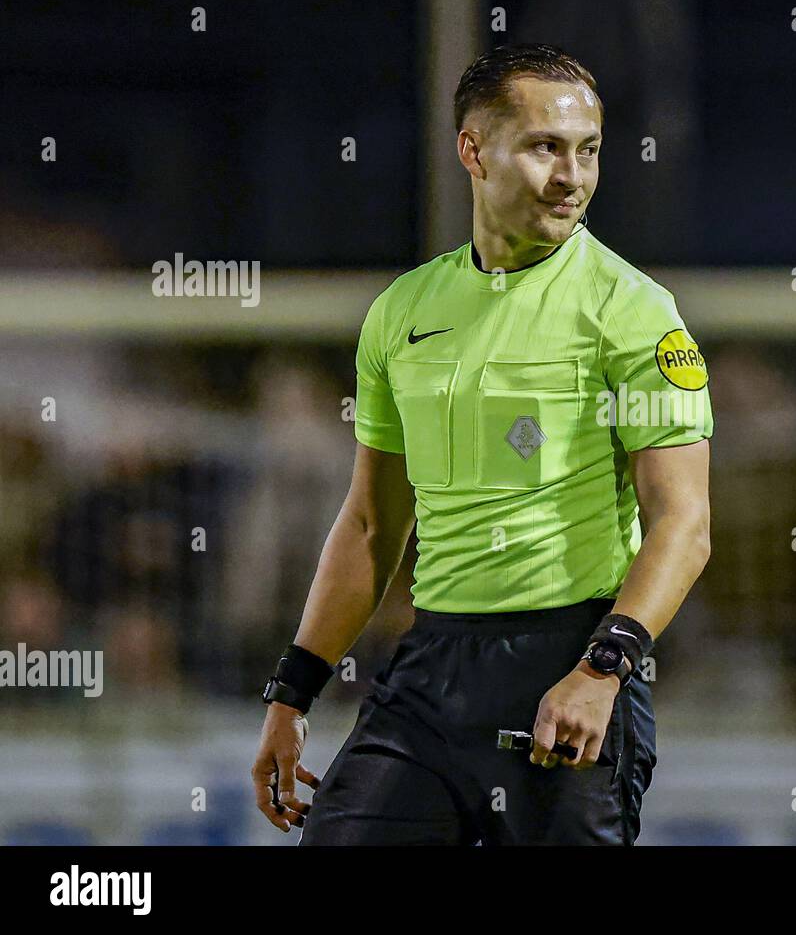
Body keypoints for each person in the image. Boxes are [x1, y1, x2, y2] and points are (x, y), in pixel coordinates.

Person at [250, 43, 713, 845]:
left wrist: (602, 671)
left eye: (589, 151)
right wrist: (292, 693)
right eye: (545, 148)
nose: (572, 176)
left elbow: (684, 523)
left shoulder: (635, 311)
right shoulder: (401, 313)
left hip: (569, 662)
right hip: (430, 669)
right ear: (473, 150)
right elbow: (369, 525)